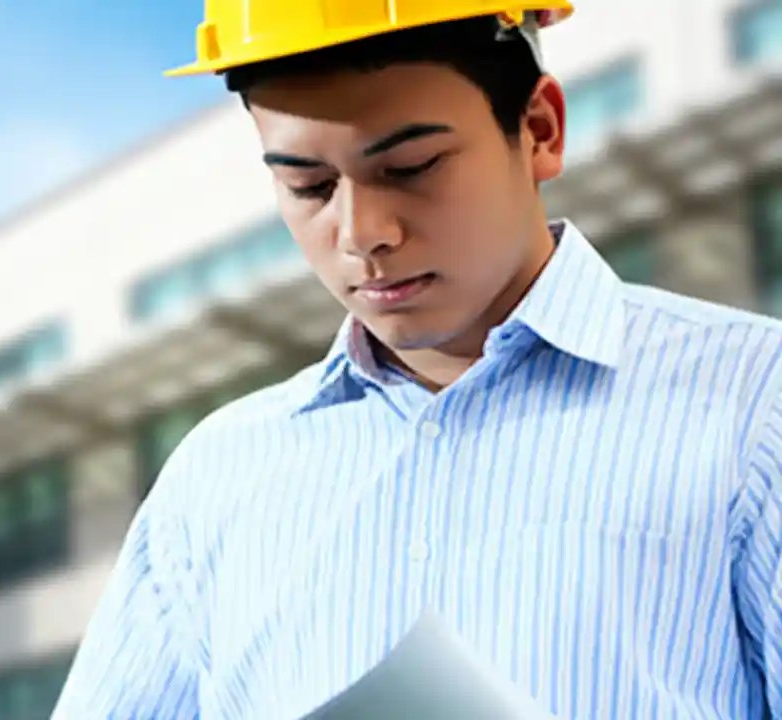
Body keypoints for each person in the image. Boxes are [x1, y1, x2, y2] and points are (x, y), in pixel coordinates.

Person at [52, 3, 782, 718]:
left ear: (539, 130)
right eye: (308, 186)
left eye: (410, 166)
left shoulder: (754, 403)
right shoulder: (215, 480)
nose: (362, 233)